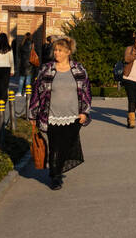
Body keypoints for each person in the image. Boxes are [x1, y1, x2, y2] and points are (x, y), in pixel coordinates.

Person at [27, 35, 92, 191]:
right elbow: (36, 92)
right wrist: (32, 114)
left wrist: (85, 112)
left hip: (73, 116)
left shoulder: (79, 69)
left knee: (67, 146)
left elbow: (86, 92)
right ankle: (55, 176)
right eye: (55, 50)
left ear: (68, 52)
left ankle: (57, 168)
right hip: (51, 116)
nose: (56, 53)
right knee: (55, 146)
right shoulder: (46, 69)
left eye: (60, 50)